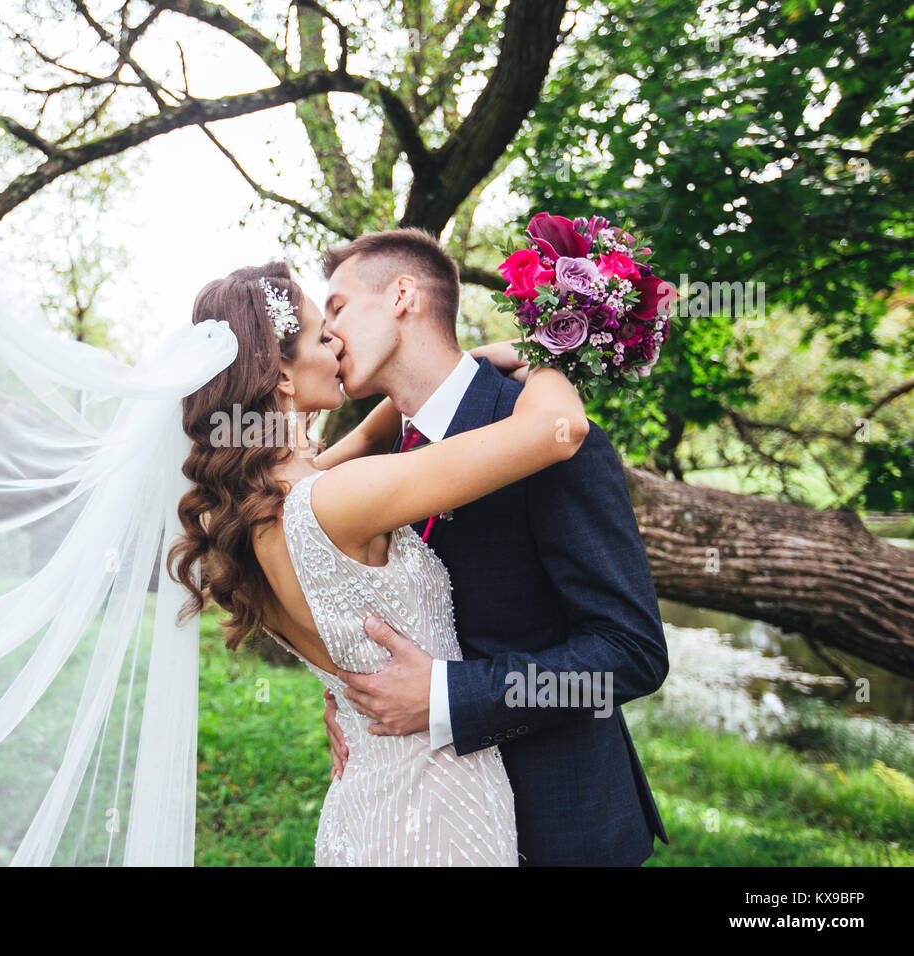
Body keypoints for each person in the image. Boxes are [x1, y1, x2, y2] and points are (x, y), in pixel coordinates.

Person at [167, 260, 589, 865]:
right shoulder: (341, 500)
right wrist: (557, 346)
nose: (336, 341)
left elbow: (362, 441)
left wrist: (458, 362)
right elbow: (560, 427)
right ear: (281, 375)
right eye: (320, 335)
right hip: (440, 808)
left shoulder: (244, 520)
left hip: (364, 804)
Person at [318, 228, 670, 866]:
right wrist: (349, 698)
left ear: (403, 295)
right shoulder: (391, 451)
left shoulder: (549, 433)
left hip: (557, 827)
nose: (326, 333)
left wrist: (448, 695)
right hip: (425, 820)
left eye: (337, 307)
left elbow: (632, 653)